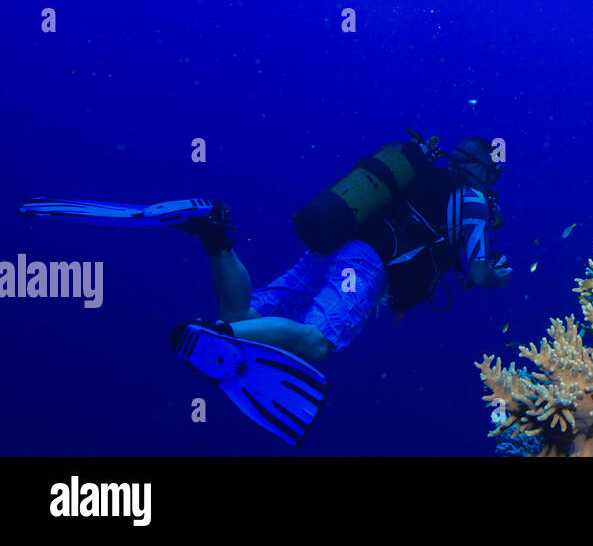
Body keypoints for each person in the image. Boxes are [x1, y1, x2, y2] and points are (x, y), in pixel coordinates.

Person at [18, 134, 512, 445]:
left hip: (333, 249)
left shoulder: (420, 175)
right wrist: (499, 275)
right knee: (318, 341)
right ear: (488, 170)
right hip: (365, 267)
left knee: (248, 314)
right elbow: (479, 270)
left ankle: (216, 238)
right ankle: (215, 332)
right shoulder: (469, 196)